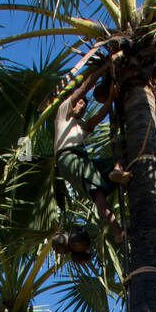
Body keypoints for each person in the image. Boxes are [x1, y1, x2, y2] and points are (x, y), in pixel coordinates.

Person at [53, 66, 129, 246]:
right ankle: (117, 231)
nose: (82, 106)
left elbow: (100, 116)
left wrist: (111, 95)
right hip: (68, 158)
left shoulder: (80, 126)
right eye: (79, 102)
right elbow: (84, 89)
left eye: (85, 106)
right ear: (72, 102)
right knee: (96, 191)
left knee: (110, 167)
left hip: (81, 159)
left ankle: (117, 171)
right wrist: (101, 71)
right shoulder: (63, 113)